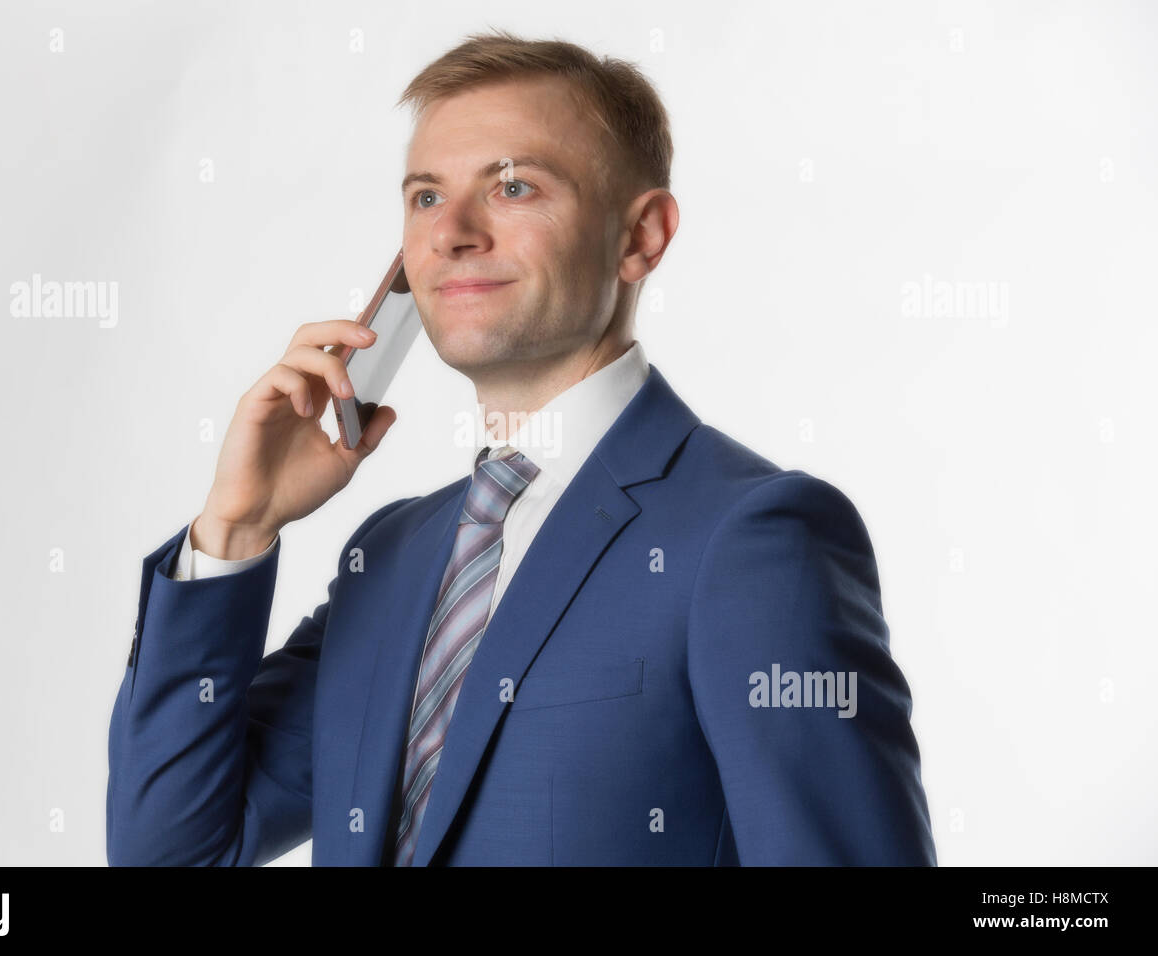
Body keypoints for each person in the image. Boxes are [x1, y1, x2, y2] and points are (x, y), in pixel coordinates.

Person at [106, 29, 936, 866]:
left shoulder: (755, 539)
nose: (452, 232)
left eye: (513, 186)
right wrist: (235, 530)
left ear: (640, 237)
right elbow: (170, 853)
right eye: (426, 198)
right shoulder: (390, 558)